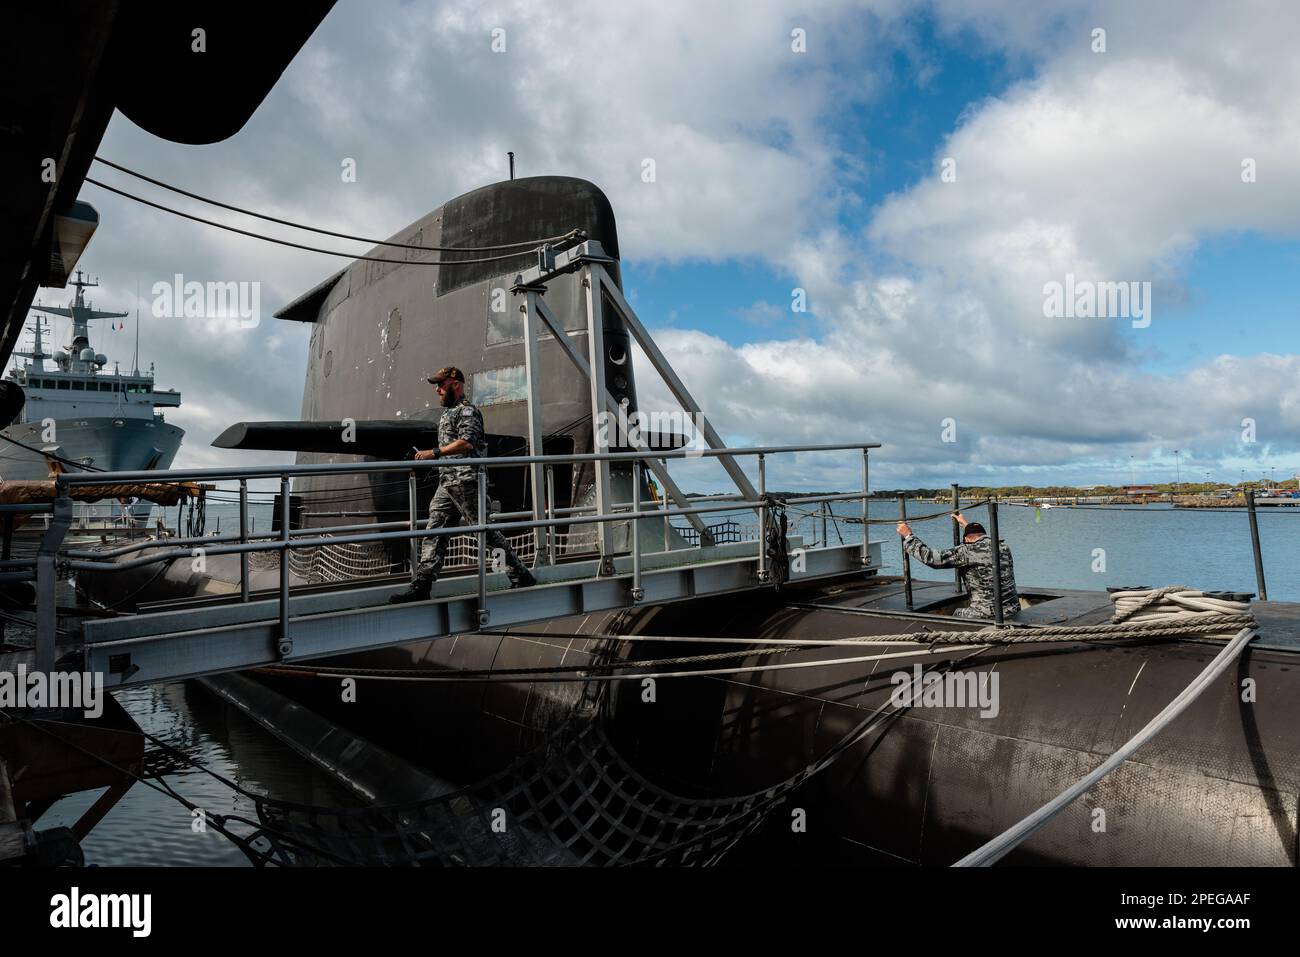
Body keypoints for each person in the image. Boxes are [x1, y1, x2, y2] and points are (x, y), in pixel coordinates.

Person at [389, 366, 536, 602]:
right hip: (447, 482)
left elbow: (467, 442)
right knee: (434, 531)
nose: (437, 390)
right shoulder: (448, 413)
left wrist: (434, 452)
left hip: (467, 480)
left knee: (485, 533)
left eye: (441, 385)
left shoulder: (468, 411)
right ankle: (422, 585)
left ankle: (520, 574)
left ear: (455, 384)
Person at [895, 511, 1019, 620]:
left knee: (956, 615)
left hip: (987, 614)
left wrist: (908, 536)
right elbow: (978, 541)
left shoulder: (967, 550)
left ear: (967, 540)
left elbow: (932, 558)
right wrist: (966, 525)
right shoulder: (1003, 547)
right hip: (1012, 609)